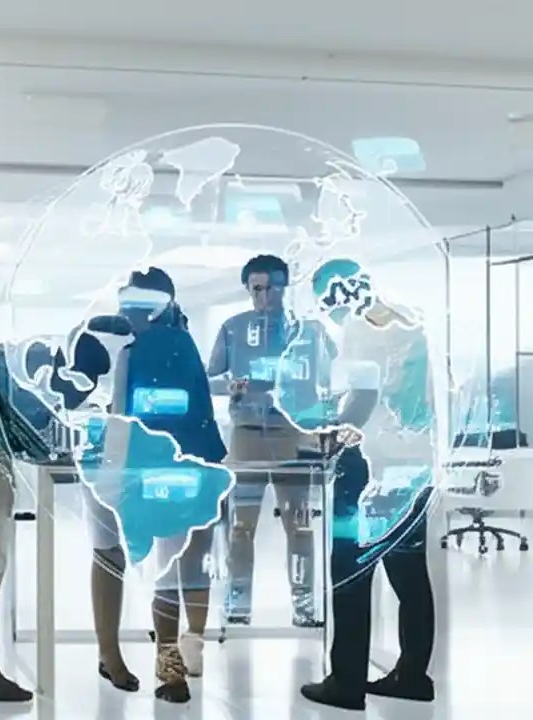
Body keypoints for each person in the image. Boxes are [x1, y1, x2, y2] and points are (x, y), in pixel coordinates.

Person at [0, 312, 129, 703]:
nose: (90, 389)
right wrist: (83, 446)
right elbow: (41, 437)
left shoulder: (34, 352)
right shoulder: (40, 368)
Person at [300, 258, 436, 711]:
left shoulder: (360, 330)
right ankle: (413, 674)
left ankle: (347, 681)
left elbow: (362, 397)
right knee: (409, 574)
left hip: (369, 469)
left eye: (325, 300)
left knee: (352, 575)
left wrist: (331, 434)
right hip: (416, 466)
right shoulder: (412, 321)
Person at [88, 268, 226, 703]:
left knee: (153, 558)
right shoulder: (131, 341)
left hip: (147, 468)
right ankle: (131, 661)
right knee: (125, 555)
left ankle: (161, 665)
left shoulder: (163, 345)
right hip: (133, 465)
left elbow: (150, 414)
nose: (133, 308)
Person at [206, 254, 335, 627]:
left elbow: (328, 376)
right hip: (247, 437)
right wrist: (230, 386)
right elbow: (208, 377)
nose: (266, 296)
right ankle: (238, 602)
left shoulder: (309, 331)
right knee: (241, 526)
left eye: (274, 287)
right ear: (248, 290)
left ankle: (304, 604)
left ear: (285, 287)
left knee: (300, 525)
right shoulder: (233, 328)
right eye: (258, 289)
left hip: (293, 436)